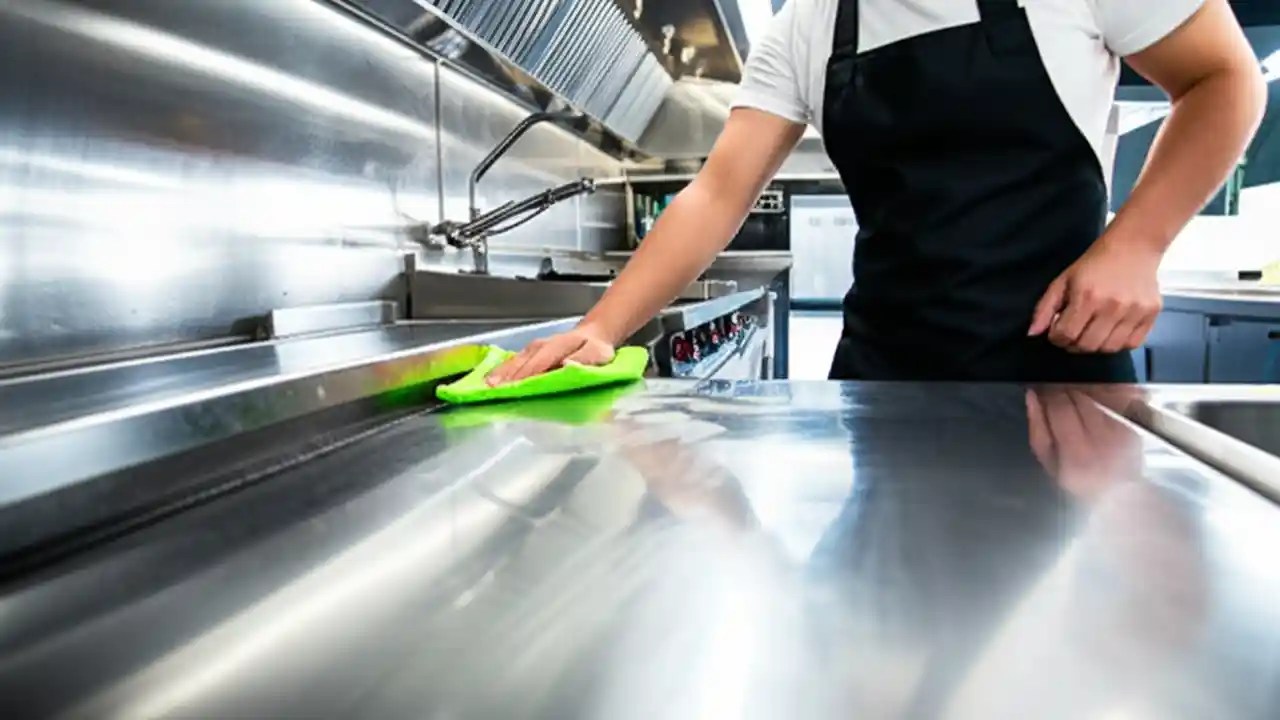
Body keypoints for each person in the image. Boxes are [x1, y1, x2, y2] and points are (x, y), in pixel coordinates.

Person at [489, 0, 1266, 385]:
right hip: (881, 379)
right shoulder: (808, 25)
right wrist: (603, 327)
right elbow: (719, 191)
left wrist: (1136, 244)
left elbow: (1224, 79)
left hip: (1057, 378)